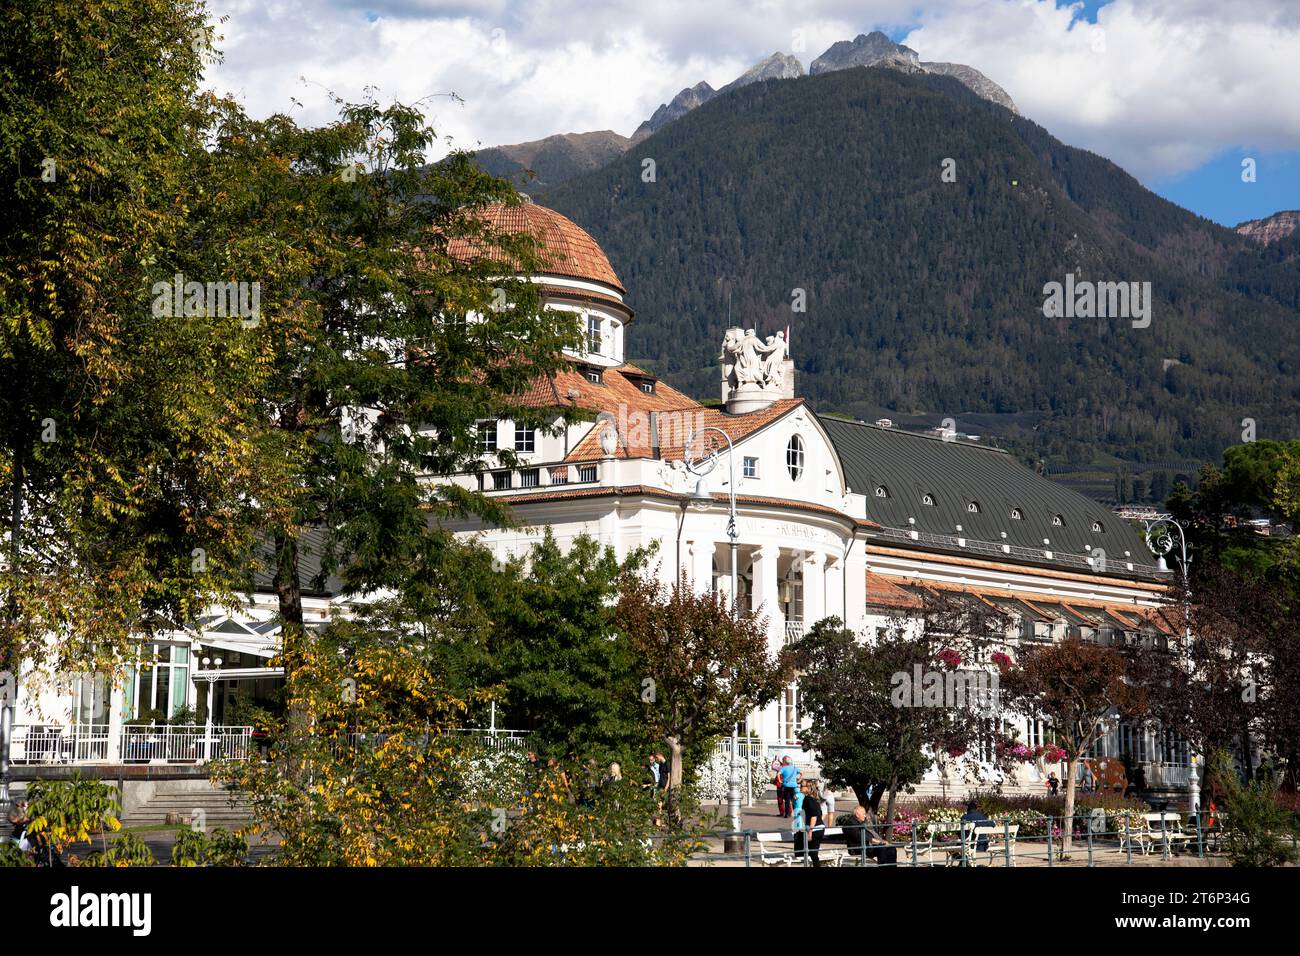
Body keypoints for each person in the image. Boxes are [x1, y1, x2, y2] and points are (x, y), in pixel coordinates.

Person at [794, 780, 825, 866]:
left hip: (814, 829)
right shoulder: (814, 799)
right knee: (812, 853)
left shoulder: (808, 799)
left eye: (802, 786)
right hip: (819, 828)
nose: (800, 787)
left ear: (808, 788)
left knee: (812, 853)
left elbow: (814, 815)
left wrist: (810, 831)